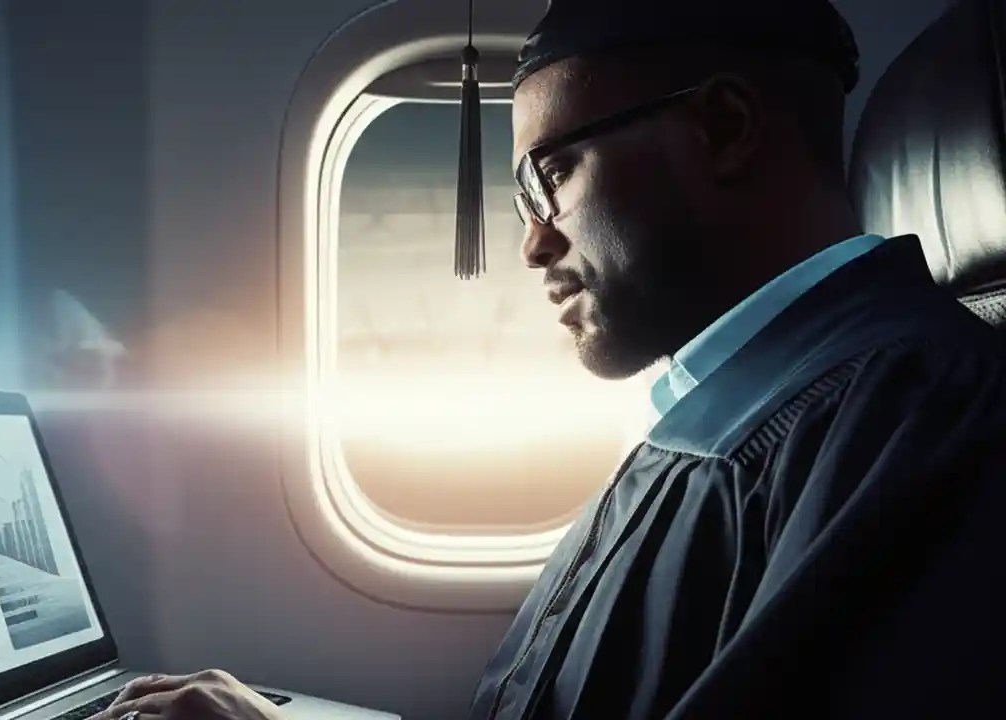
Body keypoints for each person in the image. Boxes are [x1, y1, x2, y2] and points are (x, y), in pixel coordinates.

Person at [94, 0, 1006, 718]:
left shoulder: (907, 422)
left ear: (725, 128)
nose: (531, 245)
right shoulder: (734, 414)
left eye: (552, 177)